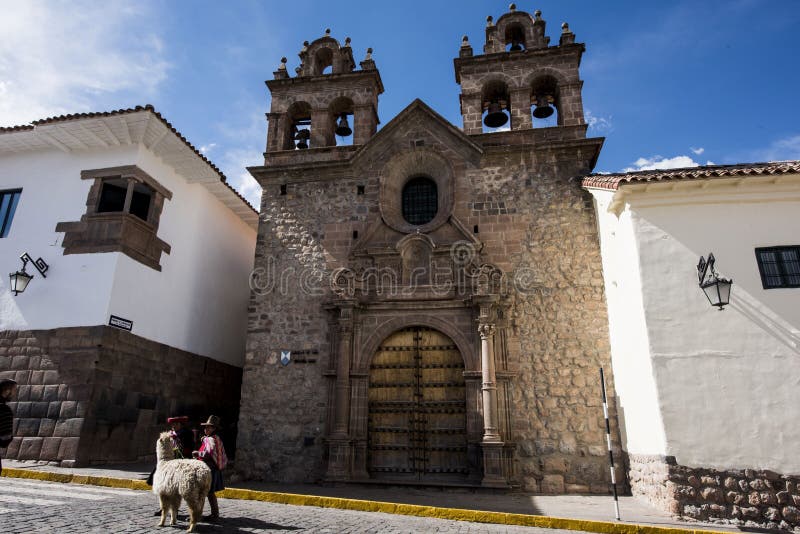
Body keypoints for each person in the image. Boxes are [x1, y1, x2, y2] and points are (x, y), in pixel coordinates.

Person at [193, 415, 227, 522]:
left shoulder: (211, 439)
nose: (206, 429)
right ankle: (215, 514)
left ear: (214, 429)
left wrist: (197, 453)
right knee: (209, 492)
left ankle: (198, 515)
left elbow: (208, 454)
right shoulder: (213, 438)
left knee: (203, 492)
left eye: (209, 427)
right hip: (212, 469)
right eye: (205, 427)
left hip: (209, 469)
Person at [0, 378, 18, 475]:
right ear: (6, 391)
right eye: (13, 390)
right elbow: (5, 437)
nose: (14, 394)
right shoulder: (4, 409)